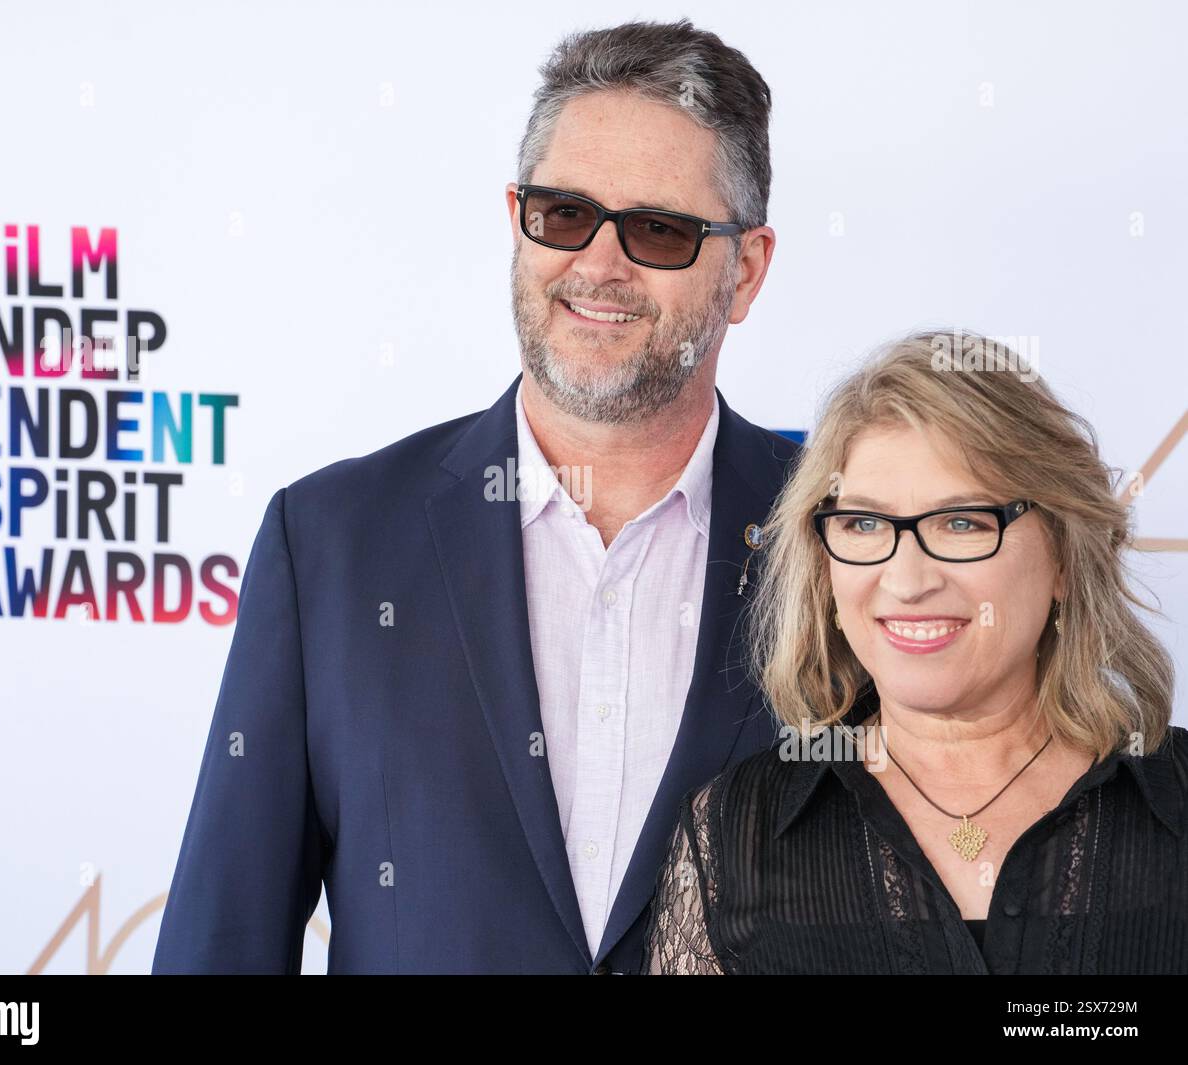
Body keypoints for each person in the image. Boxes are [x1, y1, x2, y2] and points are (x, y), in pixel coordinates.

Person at [153, 19, 798, 974]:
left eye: (658, 229)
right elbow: (224, 943)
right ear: (517, 221)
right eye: (565, 214)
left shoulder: (846, 542)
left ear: (744, 271)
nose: (600, 264)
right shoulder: (331, 542)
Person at [641, 330, 1185, 974]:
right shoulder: (736, 829)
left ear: (1065, 555)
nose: (907, 579)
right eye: (864, 524)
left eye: (962, 522)